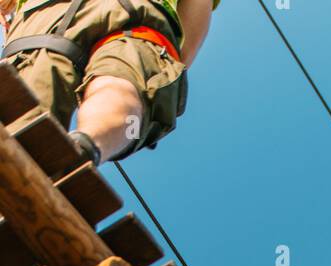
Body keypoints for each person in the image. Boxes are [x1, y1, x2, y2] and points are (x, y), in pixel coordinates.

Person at [0, 0, 218, 166]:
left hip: (51, 14)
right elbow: (188, 41)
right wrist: (165, 66)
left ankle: (15, 167)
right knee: (125, 86)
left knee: (24, 102)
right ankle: (88, 148)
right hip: (138, 14)